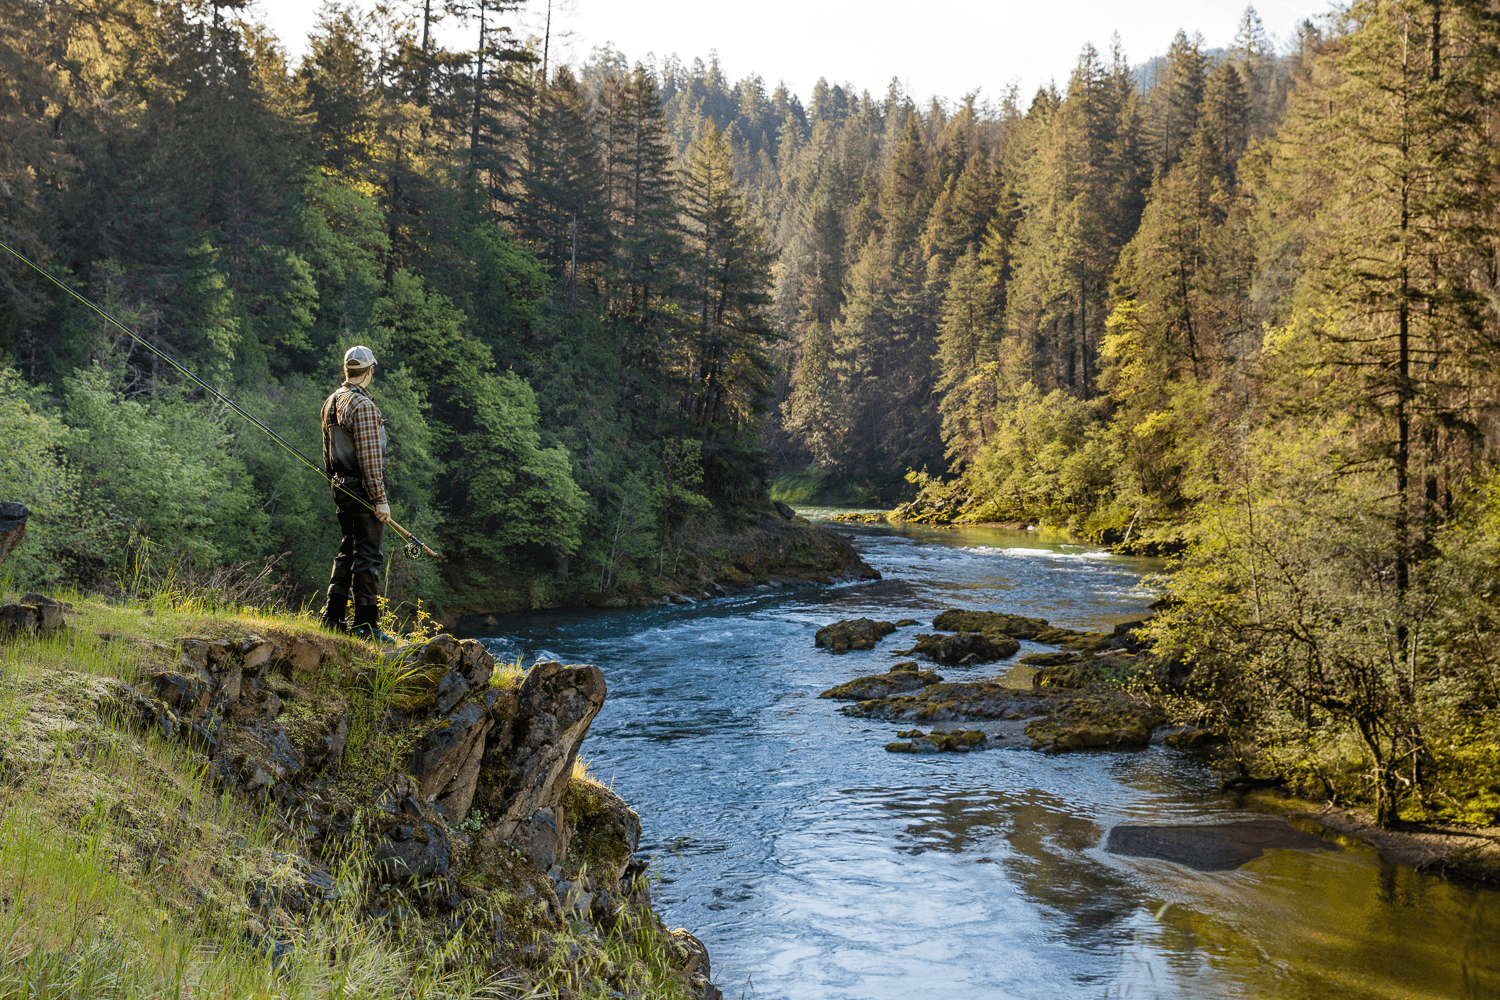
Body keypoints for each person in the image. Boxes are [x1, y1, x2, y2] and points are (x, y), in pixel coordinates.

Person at [319, 345, 395, 641]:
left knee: (347, 550)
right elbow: (370, 459)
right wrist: (380, 500)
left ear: (346, 370)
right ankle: (366, 625)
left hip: (340, 487)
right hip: (363, 490)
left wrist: (335, 486)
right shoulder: (363, 407)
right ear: (370, 371)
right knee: (368, 555)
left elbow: (327, 453)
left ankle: (332, 616)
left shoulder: (331, 401)